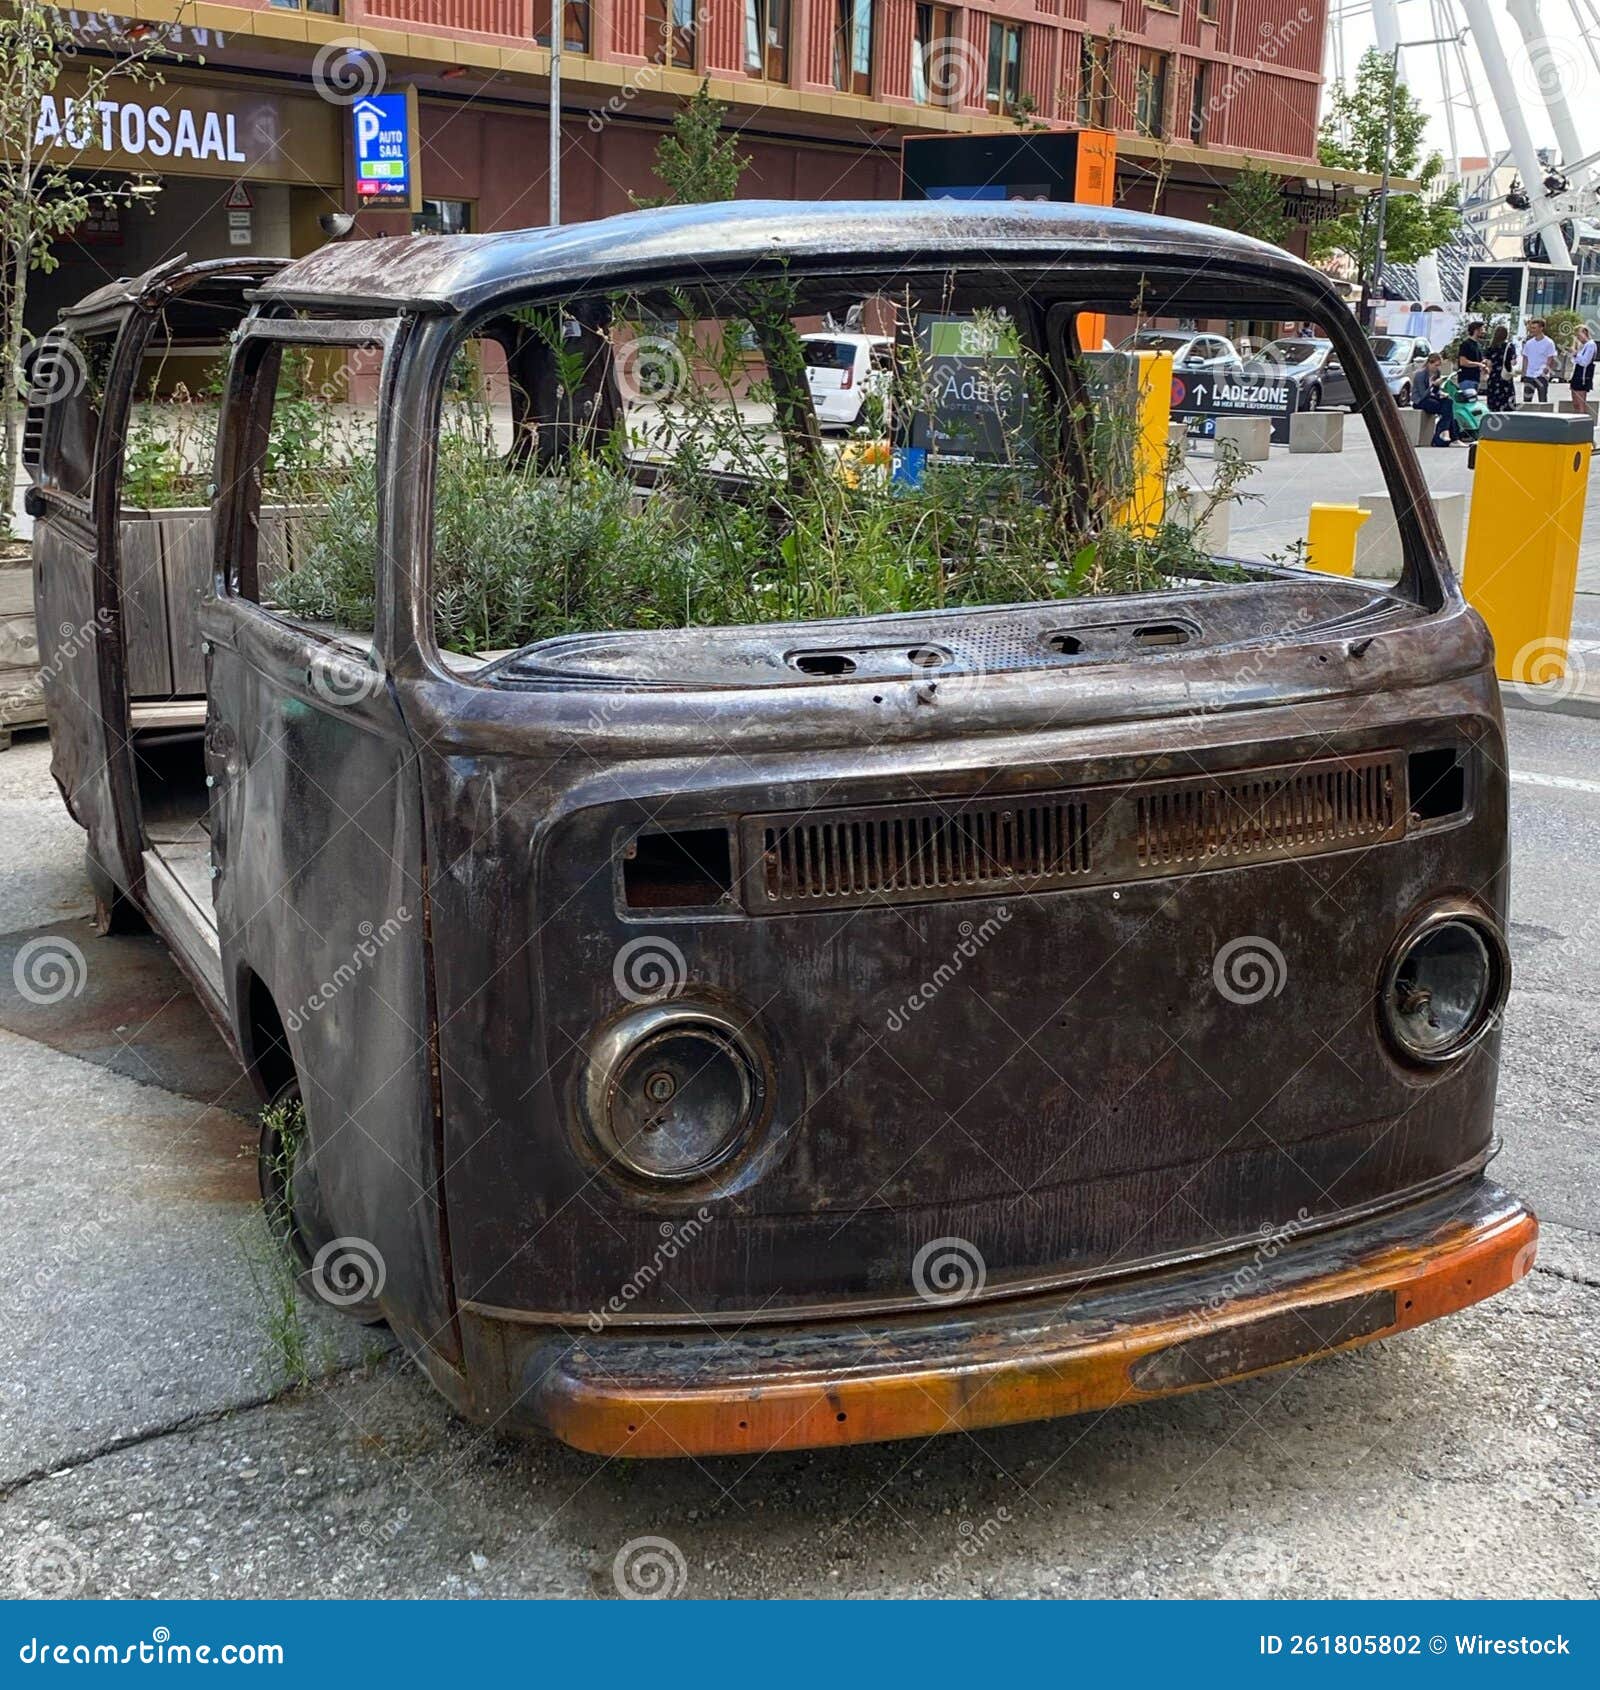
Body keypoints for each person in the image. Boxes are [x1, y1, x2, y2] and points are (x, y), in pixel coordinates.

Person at [1411, 355, 1458, 445]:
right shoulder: (1420, 374)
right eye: (1435, 365)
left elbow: (1435, 392)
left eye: (1439, 365)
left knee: (1448, 402)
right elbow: (1423, 395)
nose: (1437, 368)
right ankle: (1447, 435)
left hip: (1431, 398)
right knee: (1445, 409)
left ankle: (1444, 434)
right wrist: (1433, 385)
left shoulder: (1437, 373)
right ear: (1429, 363)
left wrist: (1440, 392)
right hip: (1420, 401)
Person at [1519, 318, 1557, 403]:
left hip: (1541, 375)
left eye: (1534, 328)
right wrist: (1524, 373)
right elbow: (1525, 358)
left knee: (1542, 399)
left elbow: (1551, 358)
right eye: (1531, 328)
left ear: (1541, 328)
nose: (1532, 330)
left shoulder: (1549, 343)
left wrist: (1545, 371)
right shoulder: (1529, 343)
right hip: (1529, 375)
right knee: (1527, 400)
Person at [1485, 324, 1518, 412]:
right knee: (1506, 400)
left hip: (1493, 377)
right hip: (1505, 376)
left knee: (1494, 402)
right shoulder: (1509, 346)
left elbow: (1488, 362)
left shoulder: (1490, 347)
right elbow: (1513, 361)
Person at [1455, 320, 1487, 394]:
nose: (1484, 332)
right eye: (1482, 329)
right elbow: (1463, 362)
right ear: (1476, 330)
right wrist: (1479, 364)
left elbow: (1479, 360)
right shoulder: (1466, 344)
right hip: (1467, 379)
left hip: (1476, 379)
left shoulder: (1478, 345)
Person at [1570, 324, 1596, 412]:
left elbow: (1585, 362)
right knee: (1575, 402)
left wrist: (1576, 354)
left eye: (1578, 335)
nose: (1578, 338)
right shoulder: (1583, 346)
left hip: (1583, 374)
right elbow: (1574, 361)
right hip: (1577, 373)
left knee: (1581, 402)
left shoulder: (1590, 345)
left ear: (1585, 333)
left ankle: (1583, 420)